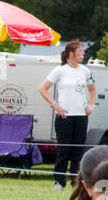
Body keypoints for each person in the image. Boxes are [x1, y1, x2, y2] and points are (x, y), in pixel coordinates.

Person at [39, 39, 96, 190]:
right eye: (80, 52)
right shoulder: (60, 70)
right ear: (71, 54)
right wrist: (56, 105)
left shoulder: (85, 70)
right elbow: (43, 89)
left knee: (78, 150)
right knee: (64, 149)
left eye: (83, 52)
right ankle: (59, 181)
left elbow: (92, 90)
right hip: (65, 116)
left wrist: (91, 105)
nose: (82, 54)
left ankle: (76, 181)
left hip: (81, 116)